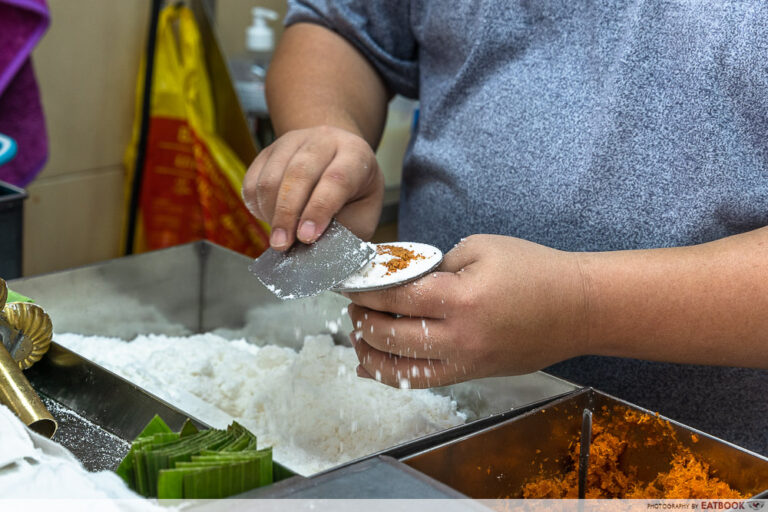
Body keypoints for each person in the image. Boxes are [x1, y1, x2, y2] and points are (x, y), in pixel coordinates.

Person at [242, 1, 768, 454]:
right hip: (436, 426)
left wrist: (580, 304)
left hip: (712, 459)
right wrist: (327, 133)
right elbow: (344, 27)